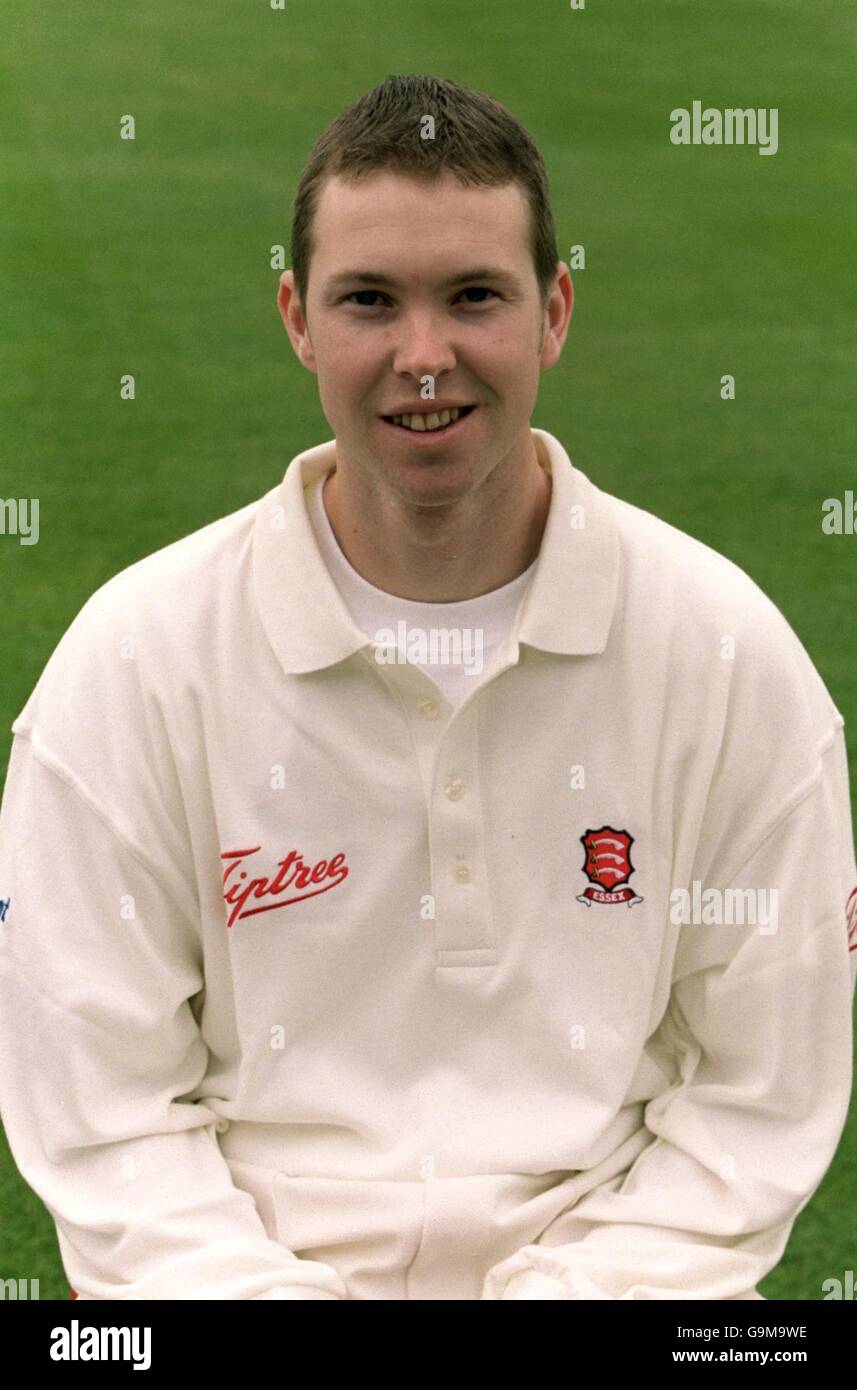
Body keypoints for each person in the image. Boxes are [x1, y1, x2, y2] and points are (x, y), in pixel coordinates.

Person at [0, 74, 854, 1302]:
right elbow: (102, 1110)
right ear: (296, 316)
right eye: (367, 300)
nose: (422, 356)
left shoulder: (724, 652)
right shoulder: (132, 658)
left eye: (472, 297)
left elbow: (757, 1095)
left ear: (552, 311)